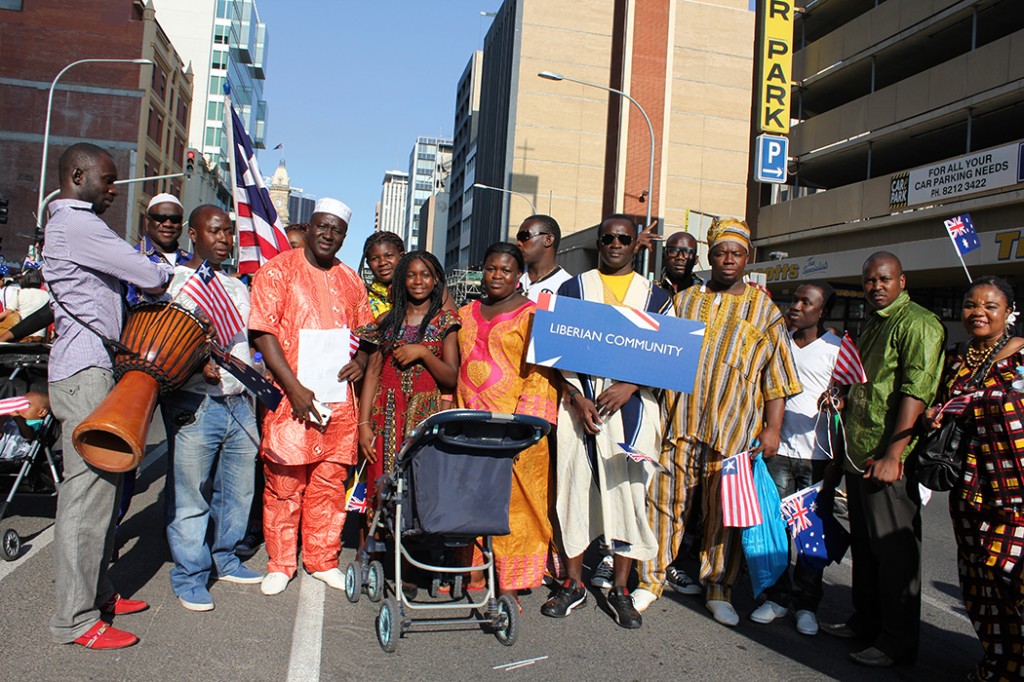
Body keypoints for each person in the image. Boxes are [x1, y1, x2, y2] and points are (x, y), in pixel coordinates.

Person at [634, 218, 802, 627]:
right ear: (709, 257)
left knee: (723, 514)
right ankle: (651, 579)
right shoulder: (685, 301)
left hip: (734, 432)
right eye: (721, 252)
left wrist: (773, 428)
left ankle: (718, 588)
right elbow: (656, 352)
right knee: (663, 504)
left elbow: (775, 378)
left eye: (737, 253)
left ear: (749, 258)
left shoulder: (766, 311)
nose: (729, 259)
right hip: (680, 424)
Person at [44, 142, 172, 649]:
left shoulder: (69, 222)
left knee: (104, 493)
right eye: (108, 180)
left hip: (87, 370)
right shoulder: (78, 223)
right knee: (87, 496)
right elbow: (150, 273)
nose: (115, 190)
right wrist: (158, 273)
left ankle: (99, 594)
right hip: (85, 373)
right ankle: (74, 620)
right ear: (78, 175)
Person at [543, 215, 671, 629]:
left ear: (637, 245)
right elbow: (556, 352)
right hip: (580, 408)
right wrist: (577, 398)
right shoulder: (573, 289)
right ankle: (575, 583)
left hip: (632, 411)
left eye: (624, 238)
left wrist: (630, 385)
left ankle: (620, 589)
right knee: (574, 492)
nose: (615, 244)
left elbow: (668, 356)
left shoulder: (657, 297)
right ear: (599, 242)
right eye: (607, 238)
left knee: (629, 495)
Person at [824, 251, 945, 668]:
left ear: (902, 281)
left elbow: (917, 389)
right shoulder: (874, 323)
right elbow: (864, 381)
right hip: (860, 455)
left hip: (890, 458)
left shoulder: (919, 324)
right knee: (868, 548)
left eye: (884, 279)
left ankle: (896, 642)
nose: (875, 287)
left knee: (894, 556)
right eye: (869, 281)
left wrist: (894, 453)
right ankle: (866, 621)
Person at [249, 197, 373, 596]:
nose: (328, 234)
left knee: (329, 484)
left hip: (338, 404)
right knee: (284, 484)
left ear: (344, 237)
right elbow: (263, 331)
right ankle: (281, 563)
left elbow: (368, 333)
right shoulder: (278, 270)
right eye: (322, 226)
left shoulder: (352, 279)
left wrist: (362, 361)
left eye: (337, 230)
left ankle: (322, 559)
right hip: (290, 400)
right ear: (310, 226)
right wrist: (296, 389)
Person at [161, 205, 262, 612]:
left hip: (240, 402)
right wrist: (195, 360)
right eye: (215, 231)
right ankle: (189, 574)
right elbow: (163, 344)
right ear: (193, 234)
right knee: (191, 496)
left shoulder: (237, 287)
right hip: (196, 402)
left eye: (229, 233)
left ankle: (225, 557)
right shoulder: (175, 283)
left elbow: (247, 342)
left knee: (238, 493)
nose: (224, 239)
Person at [925, 276, 1023, 681]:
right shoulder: (958, 358)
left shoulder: (1020, 357)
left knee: (1010, 578)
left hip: (1014, 493)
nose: (978, 313)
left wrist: (978, 403)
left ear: (1009, 313)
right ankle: (996, 662)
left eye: (990, 306)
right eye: (970, 304)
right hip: (967, 485)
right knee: (979, 582)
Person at [457, 242, 557, 602]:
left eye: (506, 270)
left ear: (519, 276)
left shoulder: (534, 315)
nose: (497, 275)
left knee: (517, 505)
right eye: (491, 268)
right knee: (471, 500)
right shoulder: (466, 313)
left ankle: (511, 582)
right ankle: (473, 575)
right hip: (470, 426)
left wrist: (526, 425)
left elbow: (542, 371)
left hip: (516, 429)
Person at [749, 281, 840, 636]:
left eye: (807, 302)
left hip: (818, 458)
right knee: (776, 531)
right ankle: (776, 597)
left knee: (811, 536)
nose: (796, 307)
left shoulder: (837, 350)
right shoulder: (778, 342)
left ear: (823, 311)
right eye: (795, 300)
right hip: (778, 452)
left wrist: (838, 401)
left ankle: (806, 605)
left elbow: (847, 395)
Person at [358, 251, 459, 501]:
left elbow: (450, 377)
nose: (418, 281)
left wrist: (424, 353)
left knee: (421, 488)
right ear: (401, 279)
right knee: (379, 485)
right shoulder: (386, 322)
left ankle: (412, 540)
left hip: (426, 418)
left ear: (436, 280)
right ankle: (377, 539)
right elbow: (372, 374)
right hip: (385, 414)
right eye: (411, 275)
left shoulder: (446, 322)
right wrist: (363, 425)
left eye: (425, 275)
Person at [127, 193, 191, 305]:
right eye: (160, 218)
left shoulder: (192, 262)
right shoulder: (132, 259)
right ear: (147, 221)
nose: (168, 224)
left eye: (175, 219)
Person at [515, 215, 572, 303]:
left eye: (524, 236)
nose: (518, 242)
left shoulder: (567, 286)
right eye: (518, 238)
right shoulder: (511, 276)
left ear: (548, 240)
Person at [362, 231, 405, 319]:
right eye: (375, 258)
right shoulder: (362, 298)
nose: (382, 263)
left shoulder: (417, 290)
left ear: (401, 256)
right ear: (368, 263)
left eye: (389, 256)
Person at [0, 268, 50, 341]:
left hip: (22, 335)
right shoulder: (47, 295)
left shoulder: (19, 293)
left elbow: (8, 312)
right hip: (40, 337)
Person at [0, 391, 50, 463]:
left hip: (13, 448)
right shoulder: (13, 418)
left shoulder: (34, 423)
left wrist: (16, 417)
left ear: (41, 412)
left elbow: (28, 436)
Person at [658, 231, 702, 295]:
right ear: (664, 256)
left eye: (687, 252)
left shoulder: (705, 291)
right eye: (673, 251)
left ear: (696, 259)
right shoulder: (652, 289)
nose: (680, 257)